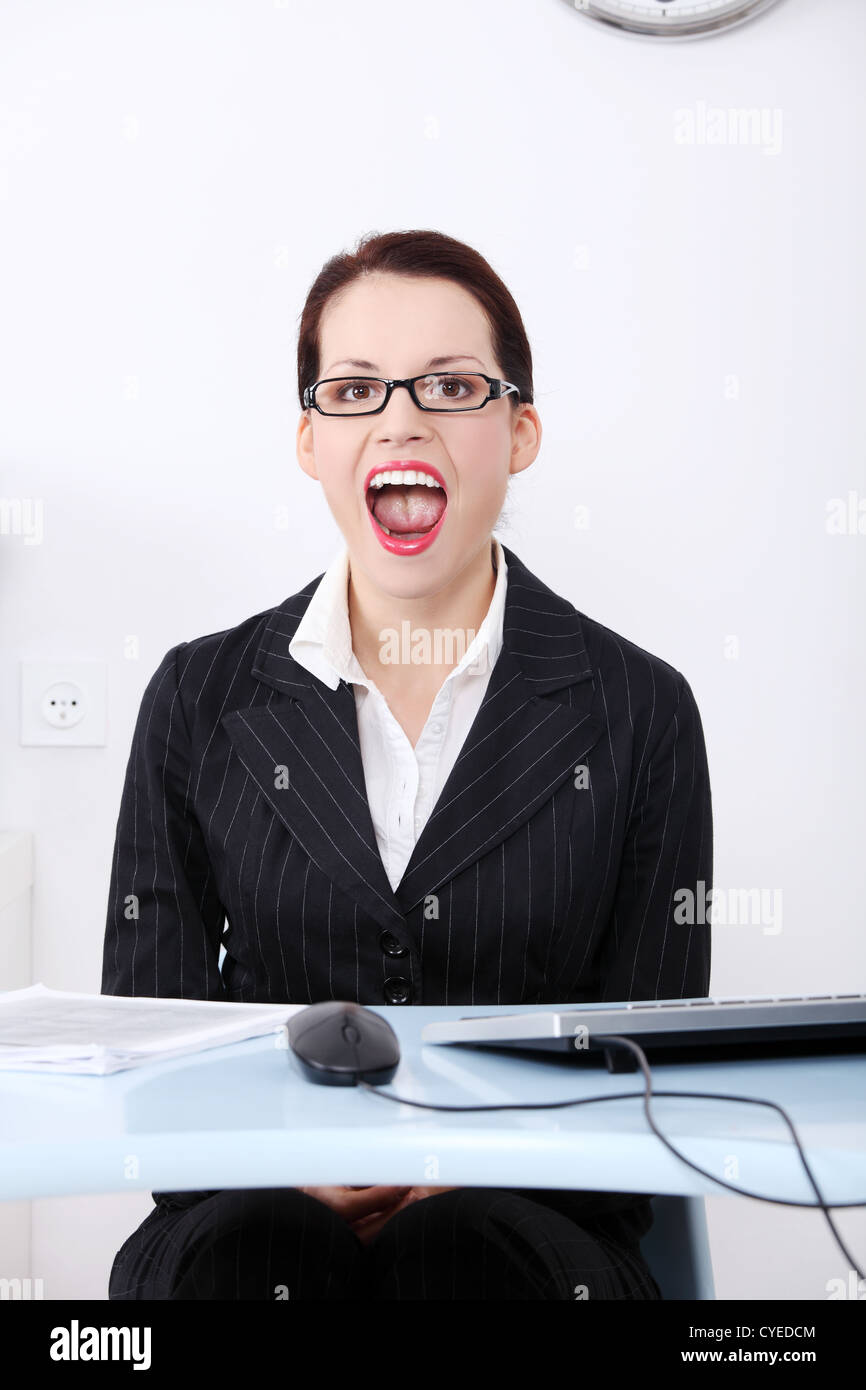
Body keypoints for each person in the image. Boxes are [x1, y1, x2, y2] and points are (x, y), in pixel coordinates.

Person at [102, 228, 712, 1300]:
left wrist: (456, 1173)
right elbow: (152, 1061)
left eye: (448, 384)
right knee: (260, 1260)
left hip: (538, 1228)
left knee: (456, 1261)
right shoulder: (196, 697)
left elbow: (647, 1082)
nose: (399, 417)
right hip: (245, 1220)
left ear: (518, 431)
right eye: (354, 389)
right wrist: (284, 1166)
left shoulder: (640, 709)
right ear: (308, 438)